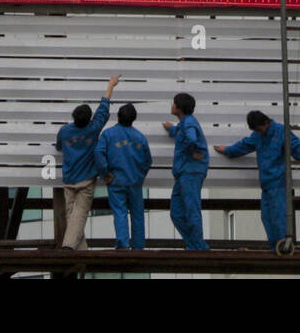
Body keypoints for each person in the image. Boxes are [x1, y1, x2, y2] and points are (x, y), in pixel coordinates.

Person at [216, 109, 300, 249]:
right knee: (267, 218)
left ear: (266, 123)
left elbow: (295, 145)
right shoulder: (258, 135)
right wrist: (228, 150)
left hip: (279, 183)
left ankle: (283, 247)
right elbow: (244, 145)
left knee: (279, 218)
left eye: (260, 129)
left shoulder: (281, 131)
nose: (259, 132)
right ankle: (275, 247)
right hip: (266, 184)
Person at [54, 75, 120, 249]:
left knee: (72, 217)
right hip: (87, 179)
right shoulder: (93, 128)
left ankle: (81, 251)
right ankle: (68, 247)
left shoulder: (65, 131)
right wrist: (110, 85)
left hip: (68, 180)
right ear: (88, 119)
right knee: (80, 215)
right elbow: (103, 109)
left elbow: (59, 147)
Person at [93, 103, 153, 250]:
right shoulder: (140, 137)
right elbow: (148, 160)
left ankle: (122, 244)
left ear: (118, 116)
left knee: (120, 212)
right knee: (137, 214)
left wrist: (105, 173)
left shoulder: (108, 134)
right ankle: (138, 246)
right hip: (135, 181)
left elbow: (98, 153)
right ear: (134, 119)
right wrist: (140, 176)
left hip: (116, 180)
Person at [162, 92, 209, 250]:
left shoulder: (188, 123)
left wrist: (191, 153)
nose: (172, 105)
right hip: (183, 173)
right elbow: (182, 134)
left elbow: (191, 139)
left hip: (191, 172)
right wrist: (171, 129)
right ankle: (193, 243)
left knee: (191, 208)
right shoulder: (185, 123)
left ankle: (198, 246)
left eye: (174, 103)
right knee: (176, 212)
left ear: (179, 108)